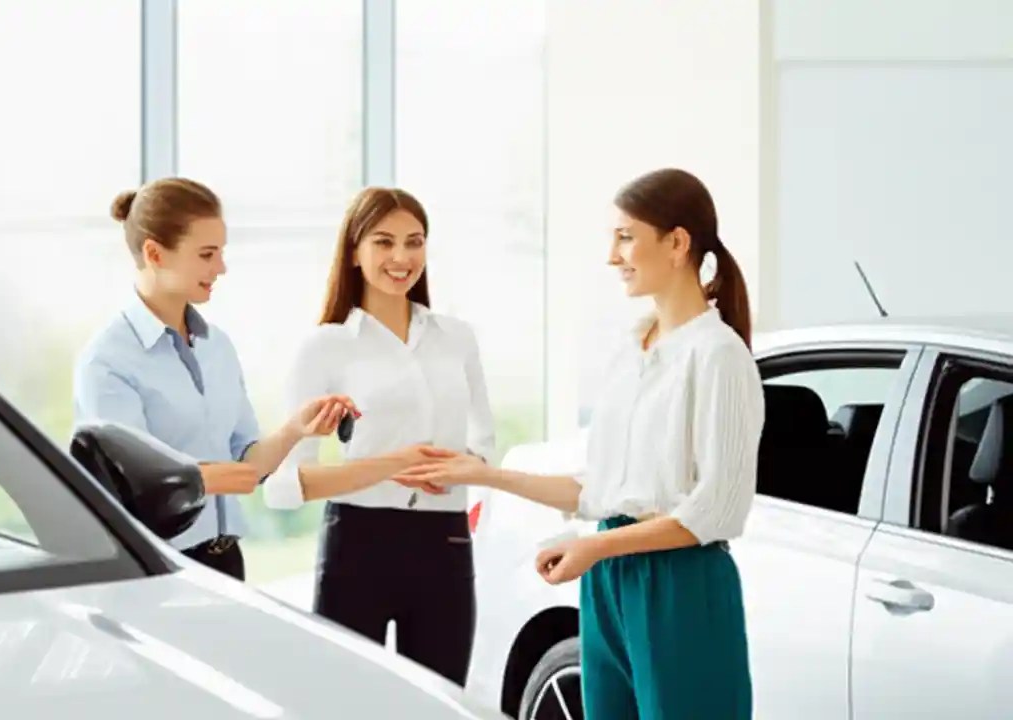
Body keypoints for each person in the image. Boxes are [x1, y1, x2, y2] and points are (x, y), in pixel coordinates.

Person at [394, 168, 764, 718]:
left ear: (678, 243)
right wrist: (479, 473)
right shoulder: (631, 349)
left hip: (680, 584)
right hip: (609, 580)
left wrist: (595, 547)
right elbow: (599, 491)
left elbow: (716, 510)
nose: (613, 256)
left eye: (625, 237)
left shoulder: (718, 356)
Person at [259, 187, 496, 686]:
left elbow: (484, 444)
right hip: (358, 546)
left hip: (445, 543)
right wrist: (392, 465)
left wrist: (458, 467)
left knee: (440, 704)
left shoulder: (458, 338)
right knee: (348, 702)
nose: (401, 257)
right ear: (354, 251)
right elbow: (284, 485)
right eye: (384, 242)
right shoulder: (325, 347)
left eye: (414, 242)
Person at [73, 177, 356, 581]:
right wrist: (207, 479)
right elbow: (127, 491)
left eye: (221, 252)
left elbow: (247, 463)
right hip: (157, 570)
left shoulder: (215, 346)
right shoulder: (107, 362)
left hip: (226, 561)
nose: (220, 268)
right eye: (207, 254)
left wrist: (297, 428)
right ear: (154, 253)